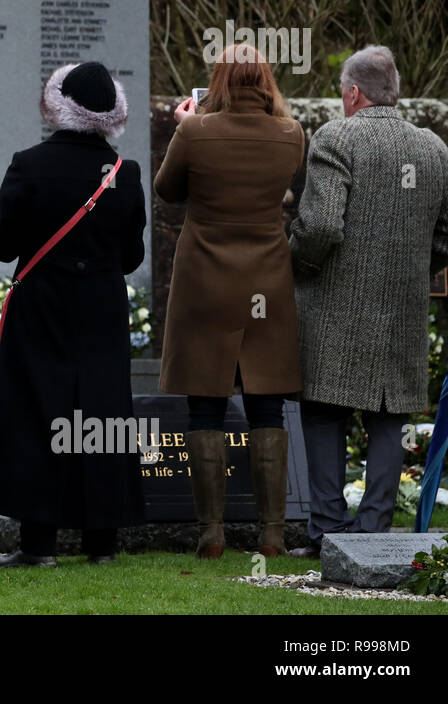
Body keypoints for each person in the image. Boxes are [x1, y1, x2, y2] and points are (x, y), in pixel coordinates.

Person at [0, 62, 147, 566]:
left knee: (37, 414)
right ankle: (102, 545)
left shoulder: (29, 164)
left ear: (57, 104)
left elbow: (3, 245)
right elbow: (131, 257)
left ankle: (39, 546)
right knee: (102, 417)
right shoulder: (124, 172)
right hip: (101, 310)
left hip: (43, 308)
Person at [289, 45, 448, 555]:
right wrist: (414, 271)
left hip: (334, 304)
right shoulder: (432, 148)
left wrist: (302, 266)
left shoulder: (336, 137)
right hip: (404, 308)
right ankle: (374, 532)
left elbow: (319, 224)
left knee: (323, 412)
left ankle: (326, 531)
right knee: (389, 417)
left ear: (353, 92)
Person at [156, 44, 305, 558]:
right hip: (266, 280)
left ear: (218, 81)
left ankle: (211, 534)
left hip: (205, 279)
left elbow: (167, 189)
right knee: (268, 405)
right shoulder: (291, 134)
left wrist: (184, 125)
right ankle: (271, 534)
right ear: (264, 79)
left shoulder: (195, 131)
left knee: (206, 406)